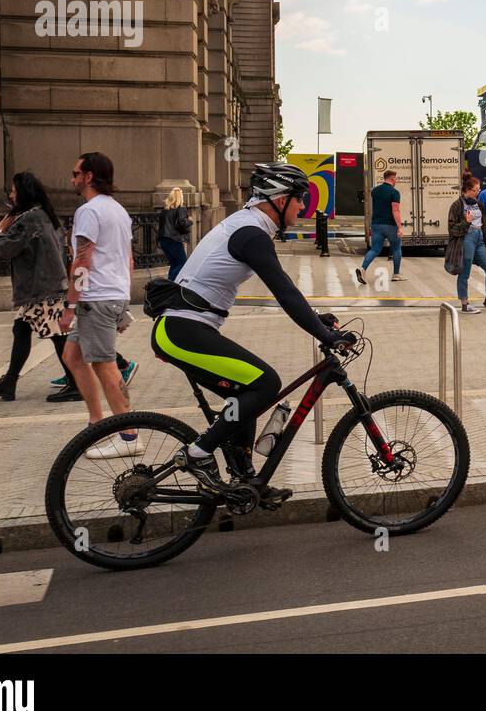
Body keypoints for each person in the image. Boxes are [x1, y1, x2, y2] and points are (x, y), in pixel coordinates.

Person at [150, 163, 354, 497]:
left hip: (184, 328)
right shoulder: (251, 233)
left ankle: (245, 483)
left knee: (245, 393)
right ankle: (198, 454)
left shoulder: (245, 226)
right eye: (299, 198)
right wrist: (325, 335)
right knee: (266, 383)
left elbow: (287, 291)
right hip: (181, 331)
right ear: (280, 198)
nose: (303, 206)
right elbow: (284, 291)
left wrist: (318, 319)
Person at [60, 151, 139, 457]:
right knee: (73, 356)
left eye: (76, 173)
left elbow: (83, 259)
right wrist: (123, 300)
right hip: (112, 294)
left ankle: (129, 435)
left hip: (96, 298)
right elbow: (128, 258)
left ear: (89, 176)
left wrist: (69, 306)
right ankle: (97, 421)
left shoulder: (90, 211)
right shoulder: (118, 210)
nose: (72, 179)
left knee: (105, 365)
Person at [0, 173, 72, 401]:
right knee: (22, 329)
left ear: (22, 192)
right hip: (47, 285)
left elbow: (5, 249)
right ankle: (10, 381)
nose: (10, 195)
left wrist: (1, 230)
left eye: (12, 191)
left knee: (57, 335)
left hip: (41, 288)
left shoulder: (29, 218)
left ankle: (75, 382)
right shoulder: (46, 215)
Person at [447, 175, 486, 313]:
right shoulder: (457, 205)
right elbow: (452, 229)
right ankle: (465, 303)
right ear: (467, 190)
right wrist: (466, 222)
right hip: (466, 239)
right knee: (464, 271)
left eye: (479, 190)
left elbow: (485, 225)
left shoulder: (478, 204)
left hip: (479, 239)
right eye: (476, 190)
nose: (478, 193)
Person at [356, 169, 405, 284]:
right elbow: (395, 210)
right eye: (395, 179)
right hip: (390, 226)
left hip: (376, 225)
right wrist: (400, 227)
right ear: (392, 179)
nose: (396, 181)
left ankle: (363, 269)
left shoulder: (375, 191)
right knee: (397, 248)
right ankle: (396, 274)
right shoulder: (394, 192)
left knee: (375, 249)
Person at [159, 187, 192, 281]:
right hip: (174, 239)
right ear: (180, 197)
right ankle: (172, 285)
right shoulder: (181, 209)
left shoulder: (165, 210)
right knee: (182, 263)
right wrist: (189, 221)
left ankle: (170, 283)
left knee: (174, 264)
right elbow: (182, 223)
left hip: (163, 240)